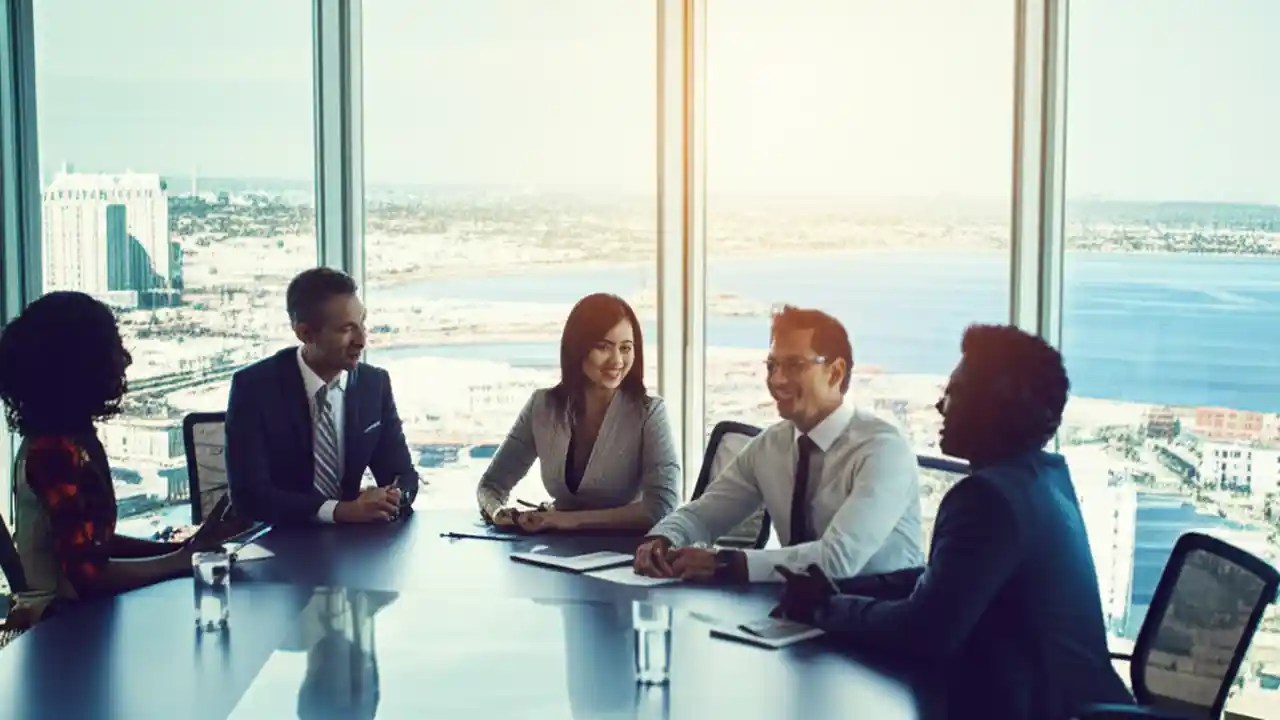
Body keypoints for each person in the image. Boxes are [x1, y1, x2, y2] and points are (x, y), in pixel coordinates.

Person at [775, 325, 1134, 720]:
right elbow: (943, 582)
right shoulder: (1041, 478)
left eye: (955, 393)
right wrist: (842, 590)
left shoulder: (988, 499)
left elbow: (926, 631)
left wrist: (825, 609)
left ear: (993, 408)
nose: (940, 406)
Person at [634, 305, 921, 583]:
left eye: (794, 365)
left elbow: (838, 559)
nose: (777, 379)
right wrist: (663, 538)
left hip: (881, 613)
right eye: (772, 366)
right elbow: (704, 514)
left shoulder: (883, 450)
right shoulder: (771, 446)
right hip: (797, 609)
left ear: (834, 373)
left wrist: (725, 563)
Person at [0, 292, 238, 612]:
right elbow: (90, 576)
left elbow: (96, 544)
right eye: (112, 348)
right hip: (56, 630)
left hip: (77, 623)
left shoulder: (66, 438)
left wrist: (185, 549)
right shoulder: (54, 452)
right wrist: (182, 559)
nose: (124, 359)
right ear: (77, 365)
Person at [226, 268, 417, 526]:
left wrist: (394, 497)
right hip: (279, 540)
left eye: (362, 323)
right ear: (305, 334)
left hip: (353, 545)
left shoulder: (374, 384)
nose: (361, 340)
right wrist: (340, 511)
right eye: (347, 329)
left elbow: (403, 475)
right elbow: (249, 497)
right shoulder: (255, 388)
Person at [477, 293, 679, 533]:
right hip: (558, 551)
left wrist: (563, 520)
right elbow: (491, 485)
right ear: (577, 349)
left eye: (625, 348)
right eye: (603, 347)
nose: (617, 360)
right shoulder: (543, 406)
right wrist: (498, 512)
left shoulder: (650, 413)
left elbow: (661, 507)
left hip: (626, 557)